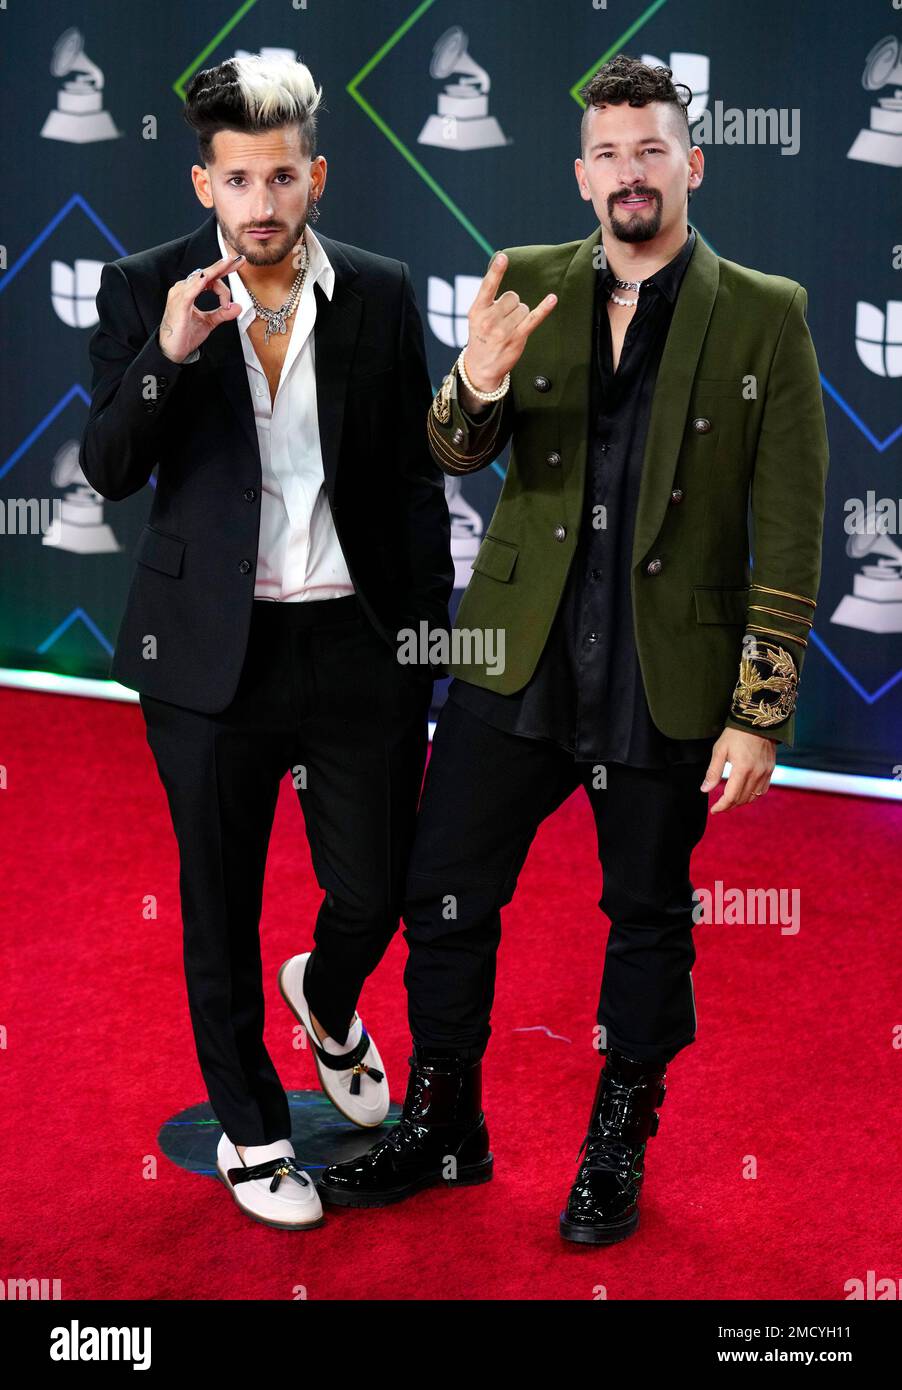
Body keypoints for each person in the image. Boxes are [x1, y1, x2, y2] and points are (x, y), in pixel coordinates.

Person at [316, 55, 829, 1244]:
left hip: (664, 673)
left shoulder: (765, 311)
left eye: (650, 149)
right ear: (581, 174)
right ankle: (446, 1119)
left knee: (644, 912)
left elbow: (791, 525)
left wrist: (756, 711)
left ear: (689, 164)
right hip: (518, 658)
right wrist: (469, 385)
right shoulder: (529, 281)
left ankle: (615, 1142)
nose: (628, 173)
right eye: (606, 153)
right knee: (440, 890)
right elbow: (452, 453)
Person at [78, 54, 452, 1230]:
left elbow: (407, 486)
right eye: (237, 179)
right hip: (204, 660)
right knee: (218, 901)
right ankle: (250, 1131)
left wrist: (425, 643)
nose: (259, 202)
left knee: (375, 887)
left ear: (315, 177)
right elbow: (107, 468)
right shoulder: (146, 291)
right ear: (204, 183)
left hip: (356, 641)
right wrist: (171, 355)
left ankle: (327, 999)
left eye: (280, 176)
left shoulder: (384, 294)